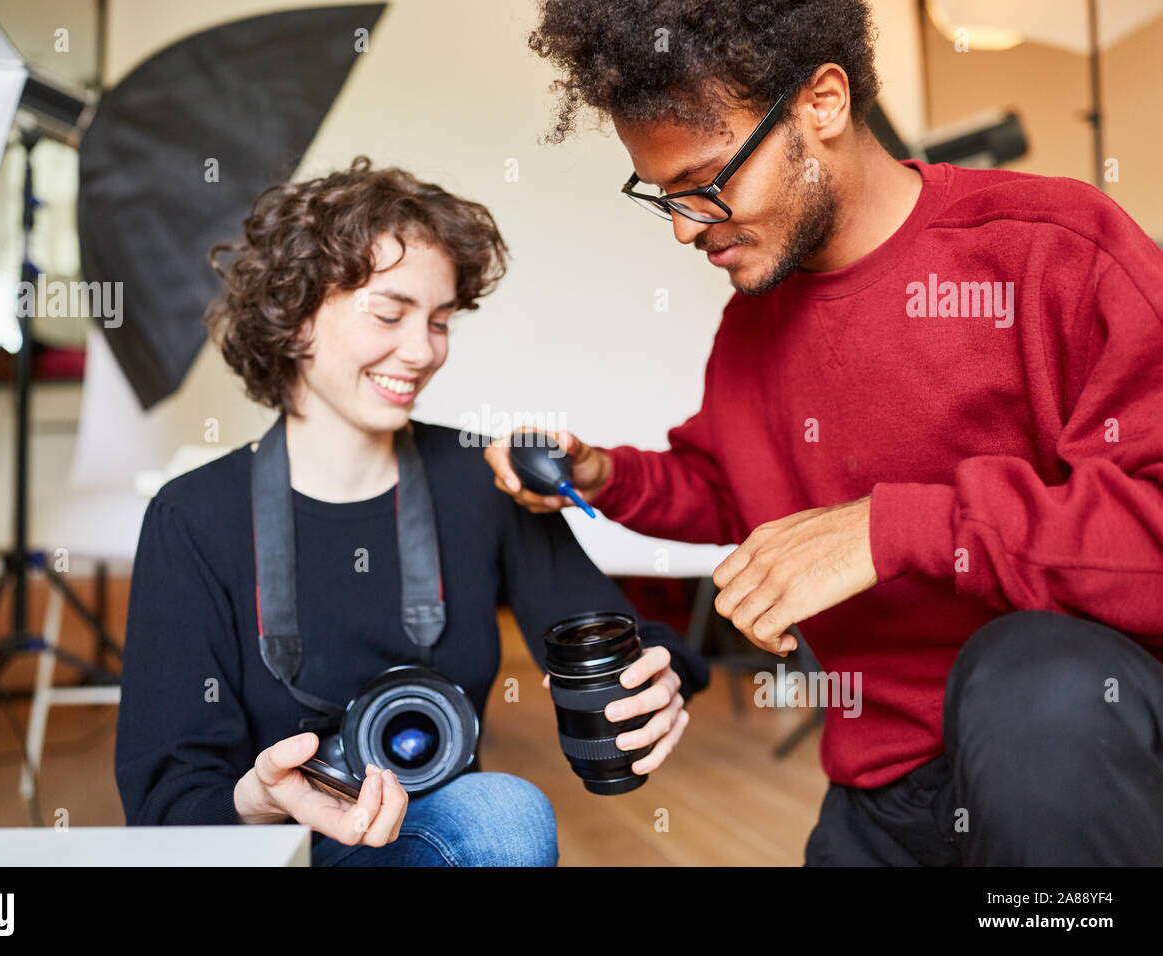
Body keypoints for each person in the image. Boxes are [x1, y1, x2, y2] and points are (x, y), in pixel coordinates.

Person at [485, 0, 1163, 865]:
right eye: (666, 200)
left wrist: (894, 528)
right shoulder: (754, 321)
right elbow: (735, 487)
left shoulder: (1054, 252)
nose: (690, 228)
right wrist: (605, 475)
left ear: (824, 103)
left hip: (1078, 749)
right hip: (886, 789)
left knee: (1035, 676)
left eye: (707, 182)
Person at [114, 156, 709, 866]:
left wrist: (659, 673)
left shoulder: (479, 477)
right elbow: (166, 806)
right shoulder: (194, 517)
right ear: (296, 317)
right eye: (390, 313)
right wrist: (263, 798)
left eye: (441, 321)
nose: (423, 351)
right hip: (277, 852)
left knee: (501, 815)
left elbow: (611, 635)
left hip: (442, 839)